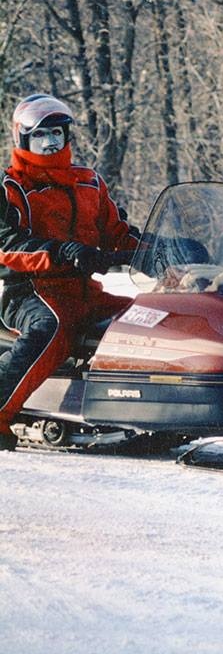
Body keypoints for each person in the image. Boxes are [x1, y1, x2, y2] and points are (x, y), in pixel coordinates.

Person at [0, 94, 141, 450]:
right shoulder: (11, 188)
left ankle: (146, 410)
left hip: (84, 291)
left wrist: (157, 247)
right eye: (40, 135)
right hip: (30, 291)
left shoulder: (88, 182)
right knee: (53, 326)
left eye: (57, 134)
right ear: (22, 139)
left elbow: (117, 231)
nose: (49, 143)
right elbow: (6, 244)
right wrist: (61, 250)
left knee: (146, 319)